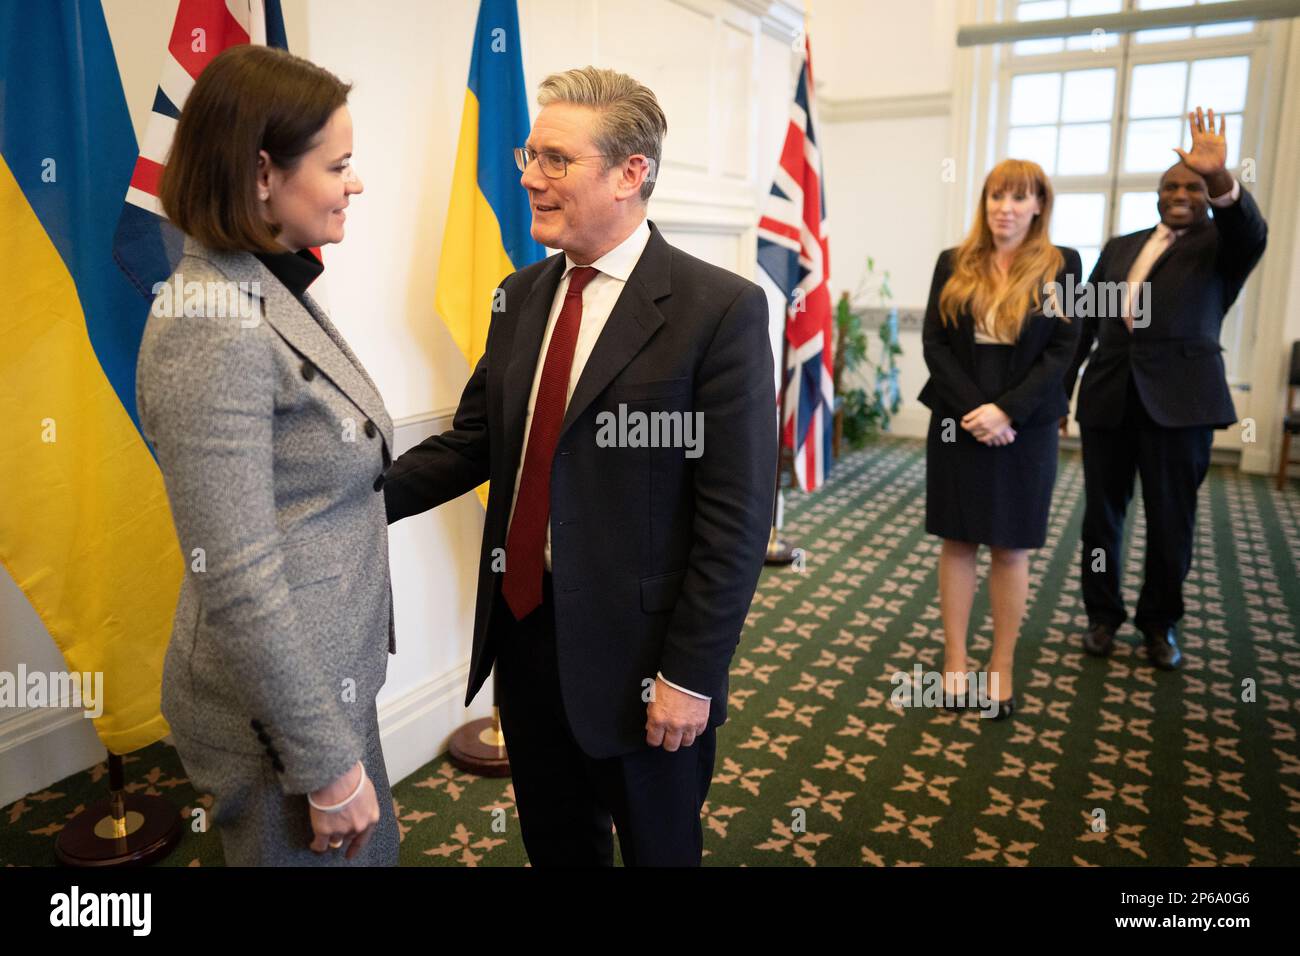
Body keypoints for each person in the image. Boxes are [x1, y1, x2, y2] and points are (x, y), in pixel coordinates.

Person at [383, 66, 776, 866]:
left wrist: (691, 675)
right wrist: (349, 499)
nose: (528, 176)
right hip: (526, 634)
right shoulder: (519, 295)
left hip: (645, 660)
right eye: (531, 154)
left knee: (661, 852)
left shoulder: (720, 311)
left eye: (555, 160)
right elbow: (475, 441)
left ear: (633, 173)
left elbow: (735, 519)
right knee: (559, 850)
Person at [137, 45, 399, 865]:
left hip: (323, 686)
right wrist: (323, 765)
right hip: (278, 723)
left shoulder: (261, 282)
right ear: (261, 174)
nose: (355, 182)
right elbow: (238, 573)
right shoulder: (210, 322)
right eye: (339, 164)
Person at [1064, 107, 1267, 668]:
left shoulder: (1221, 247)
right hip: (1110, 397)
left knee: (1169, 518)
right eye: (1171, 185)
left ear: (1206, 194)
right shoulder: (1121, 246)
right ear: (1156, 195)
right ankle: (1102, 616)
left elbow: (1251, 229)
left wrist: (1221, 175)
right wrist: (1062, 391)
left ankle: (1160, 625)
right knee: (1101, 518)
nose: (1181, 192)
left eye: (1192, 185)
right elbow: (1087, 320)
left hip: (1181, 404)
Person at [919, 159, 1082, 720]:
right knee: (959, 541)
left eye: (1018, 198)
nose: (1004, 208)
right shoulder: (953, 261)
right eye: (995, 196)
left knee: (1011, 547)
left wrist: (1007, 410)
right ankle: (957, 659)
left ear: (1039, 205)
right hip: (958, 416)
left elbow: (1064, 349)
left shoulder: (1063, 265)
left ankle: (1002, 663)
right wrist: (975, 410)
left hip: (1027, 422)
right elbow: (935, 344)